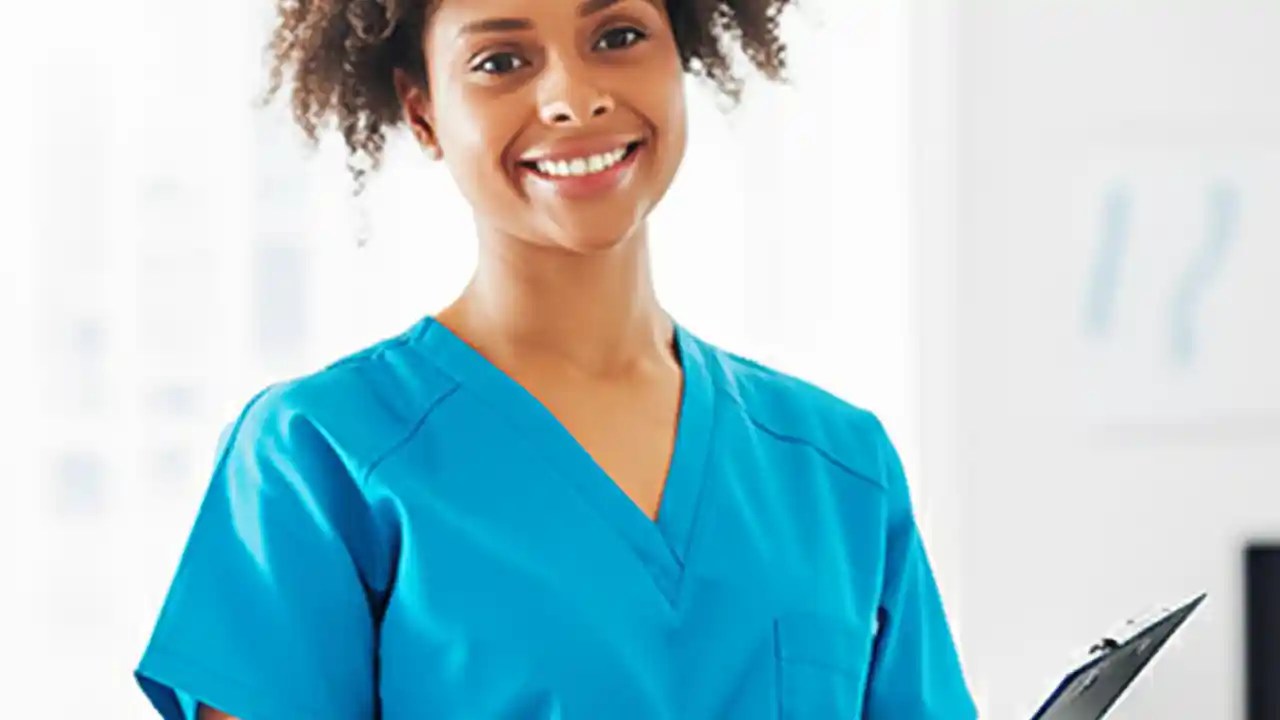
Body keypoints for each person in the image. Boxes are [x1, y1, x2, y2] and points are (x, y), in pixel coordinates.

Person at [134, 0, 977, 716]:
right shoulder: (317, 457)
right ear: (423, 110)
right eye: (502, 60)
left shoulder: (838, 466)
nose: (574, 98)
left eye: (616, 37)